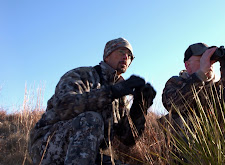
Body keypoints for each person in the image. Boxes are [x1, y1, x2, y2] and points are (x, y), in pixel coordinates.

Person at [29, 37, 156, 165]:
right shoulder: (83, 75)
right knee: (91, 119)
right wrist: (113, 91)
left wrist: (140, 107)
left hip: (85, 153)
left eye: (130, 56)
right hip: (47, 147)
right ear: (107, 56)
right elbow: (64, 106)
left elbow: (127, 138)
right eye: (121, 52)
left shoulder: (121, 96)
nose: (126, 57)